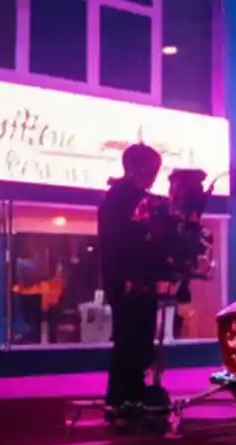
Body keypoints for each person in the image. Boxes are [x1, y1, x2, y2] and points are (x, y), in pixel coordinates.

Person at [98, 143, 165, 424]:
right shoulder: (129, 200)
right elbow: (124, 242)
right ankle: (124, 397)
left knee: (134, 338)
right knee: (132, 338)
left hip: (127, 278)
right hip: (130, 280)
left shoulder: (118, 198)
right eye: (152, 171)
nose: (154, 177)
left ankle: (128, 395)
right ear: (137, 169)